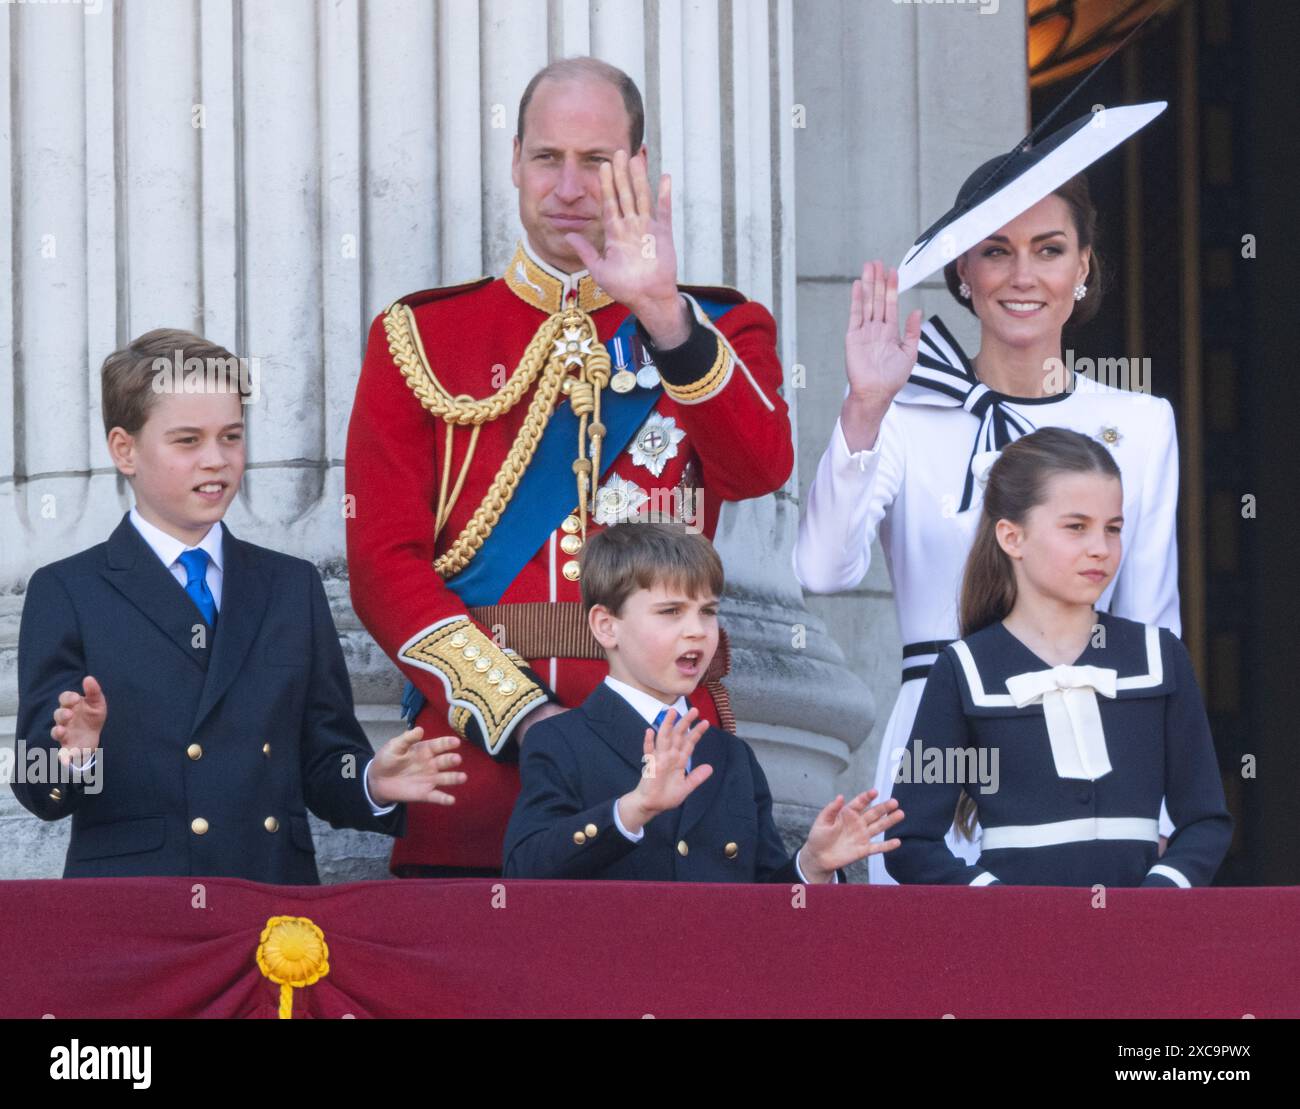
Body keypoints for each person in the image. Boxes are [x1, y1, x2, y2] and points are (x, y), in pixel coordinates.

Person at [347, 57, 792, 877]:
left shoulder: (714, 326)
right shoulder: (421, 337)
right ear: (514, 160)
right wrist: (519, 712)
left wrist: (663, 315)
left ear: (639, 168)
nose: (569, 185)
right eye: (548, 157)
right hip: (476, 768)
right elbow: (381, 563)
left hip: (673, 752)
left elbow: (759, 467)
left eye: (597, 161)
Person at [794, 110, 1181, 883]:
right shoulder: (904, 408)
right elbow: (821, 570)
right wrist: (865, 409)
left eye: (1049, 250)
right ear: (963, 273)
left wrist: (1161, 807)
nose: (1022, 275)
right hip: (939, 748)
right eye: (995, 252)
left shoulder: (1138, 422)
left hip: (1089, 739)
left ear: (1084, 268)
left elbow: (1148, 624)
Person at [11, 329, 467, 883]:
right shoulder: (68, 589)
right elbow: (39, 789)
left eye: (231, 436)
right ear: (124, 449)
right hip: (133, 913)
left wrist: (370, 781)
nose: (217, 460)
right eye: (187, 441)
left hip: (270, 900)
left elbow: (325, 760)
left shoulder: (289, 585)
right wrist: (77, 753)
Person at [884, 428, 1230, 886]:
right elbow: (909, 842)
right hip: (1014, 946)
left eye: (1113, 529)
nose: (1100, 549)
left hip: (1141, 942)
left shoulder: (1159, 657)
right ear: (1012, 537)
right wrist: (996, 904)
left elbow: (1206, 821)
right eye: (1076, 527)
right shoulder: (964, 669)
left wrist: (1159, 895)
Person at [503, 523, 902, 881]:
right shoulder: (561, 740)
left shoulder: (730, 756)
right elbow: (524, 869)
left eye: (708, 612)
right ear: (607, 626)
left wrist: (810, 866)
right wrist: (632, 810)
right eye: (671, 612)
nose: (696, 631)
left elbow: (762, 911)